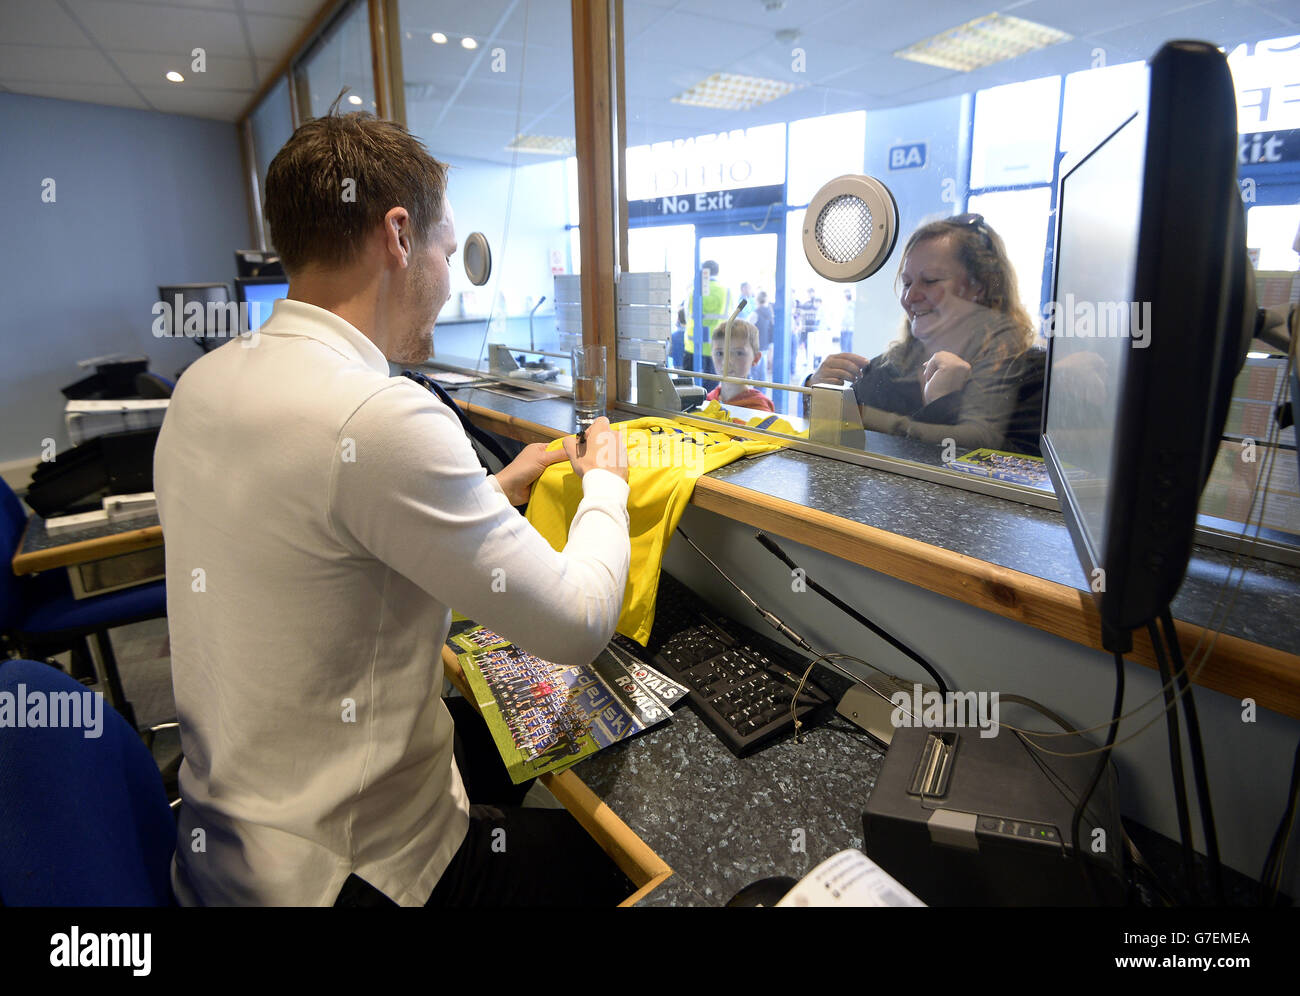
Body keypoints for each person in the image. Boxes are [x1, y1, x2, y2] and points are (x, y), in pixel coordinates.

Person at [153, 102, 633, 907]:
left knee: (495, 745)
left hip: (226, 848)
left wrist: (489, 492)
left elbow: (316, 532)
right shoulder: (378, 415)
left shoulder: (207, 383)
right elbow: (578, 622)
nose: (447, 283)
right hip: (351, 876)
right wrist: (607, 485)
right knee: (616, 862)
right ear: (400, 236)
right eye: (448, 252)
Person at [806, 214, 1044, 455]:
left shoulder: (1030, 374)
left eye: (930, 281)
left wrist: (945, 402)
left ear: (978, 288)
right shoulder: (887, 370)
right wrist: (818, 389)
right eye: (907, 283)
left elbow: (1022, 475)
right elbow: (837, 442)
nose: (910, 297)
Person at [705, 319, 774, 412]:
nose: (726, 362)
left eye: (739, 353)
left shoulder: (759, 409)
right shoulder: (707, 401)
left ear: (756, 358)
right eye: (720, 353)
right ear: (711, 355)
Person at [684, 259, 730, 392]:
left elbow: (687, 315)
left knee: (689, 389)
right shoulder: (726, 292)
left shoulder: (694, 291)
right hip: (716, 347)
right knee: (711, 389)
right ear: (717, 272)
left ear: (703, 272)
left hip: (694, 346)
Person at [752, 290, 774, 384]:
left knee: (754, 374)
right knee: (762, 375)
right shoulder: (770, 313)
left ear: (757, 300)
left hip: (756, 347)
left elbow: (746, 326)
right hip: (765, 346)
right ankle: (761, 393)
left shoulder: (755, 313)